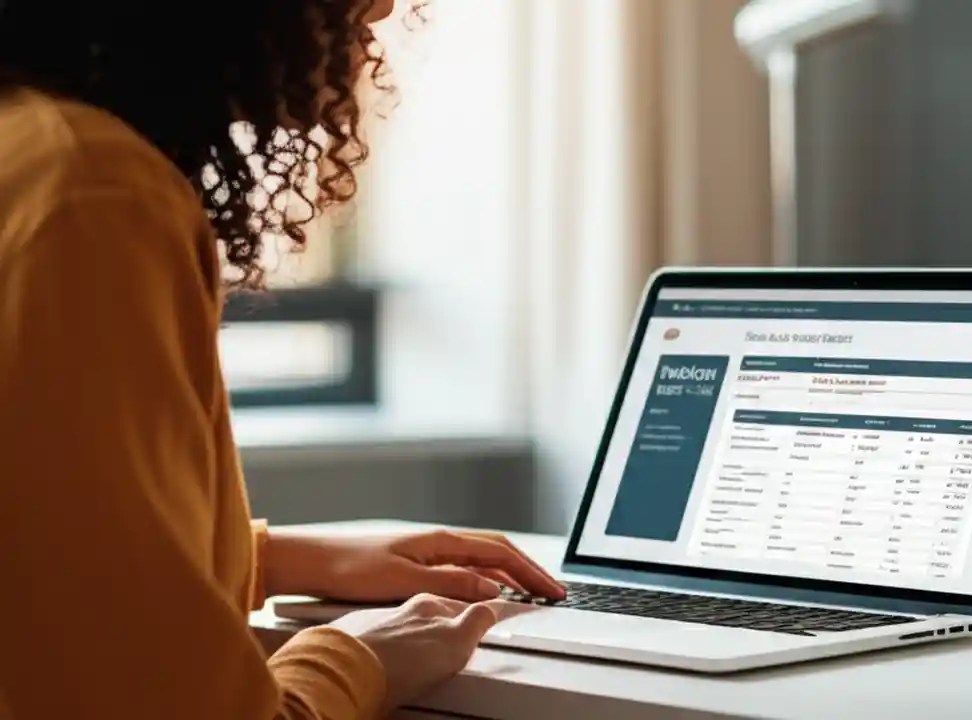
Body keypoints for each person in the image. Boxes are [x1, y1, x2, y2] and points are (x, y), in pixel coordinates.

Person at [0, 1, 565, 718]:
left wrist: (280, 561)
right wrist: (356, 658)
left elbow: (38, 546)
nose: (387, 5)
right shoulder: (85, 190)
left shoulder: (25, 152)